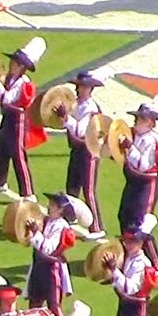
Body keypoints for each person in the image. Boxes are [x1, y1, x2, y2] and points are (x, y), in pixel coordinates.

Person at [0, 38, 47, 197]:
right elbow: (1, 98)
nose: (11, 64)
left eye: (15, 63)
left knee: (18, 156)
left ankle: (28, 193)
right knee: (1, 150)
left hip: (18, 122)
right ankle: (0, 182)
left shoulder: (23, 83)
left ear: (22, 67)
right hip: (7, 117)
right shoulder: (11, 79)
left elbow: (8, 98)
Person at [117, 98, 158, 273]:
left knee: (141, 224)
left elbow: (143, 164)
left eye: (140, 119)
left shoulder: (152, 141)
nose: (136, 122)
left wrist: (129, 147)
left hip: (146, 185)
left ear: (149, 122)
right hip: (133, 182)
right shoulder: (136, 135)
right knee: (124, 216)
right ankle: (129, 255)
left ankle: (156, 265)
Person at [58, 68, 112, 239]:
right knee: (72, 186)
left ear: (89, 89)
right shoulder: (77, 104)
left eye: (82, 86)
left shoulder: (90, 108)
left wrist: (66, 118)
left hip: (89, 152)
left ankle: (97, 227)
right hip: (77, 150)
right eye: (79, 86)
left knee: (88, 190)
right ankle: (70, 217)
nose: (78, 89)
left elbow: (82, 131)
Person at [24, 193, 78, 316]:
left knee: (54, 306)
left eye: (53, 205)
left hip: (51, 269)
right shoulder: (46, 221)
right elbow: (30, 241)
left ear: (60, 210)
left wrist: (36, 232)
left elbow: (48, 248)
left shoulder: (61, 226)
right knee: (34, 302)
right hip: (38, 265)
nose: (49, 207)